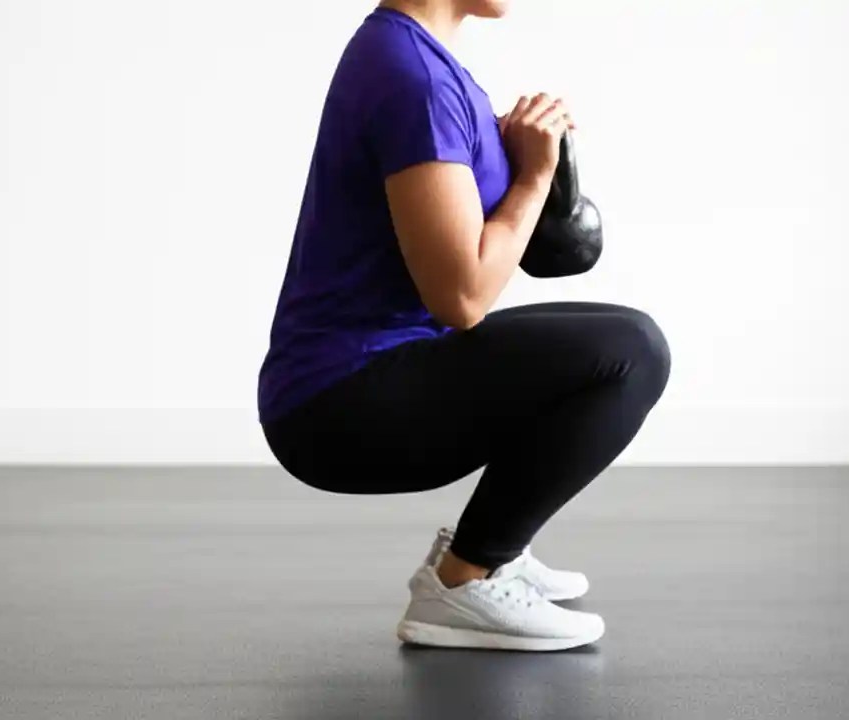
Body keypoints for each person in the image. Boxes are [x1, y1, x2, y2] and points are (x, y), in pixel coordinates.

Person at [256, 0, 671, 652]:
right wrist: (533, 177)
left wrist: (517, 156)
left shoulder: (420, 58)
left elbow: (526, 256)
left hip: (368, 376)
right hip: (338, 407)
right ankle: (464, 579)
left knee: (612, 333)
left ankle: (495, 545)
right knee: (633, 351)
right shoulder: (413, 79)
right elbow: (463, 296)